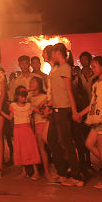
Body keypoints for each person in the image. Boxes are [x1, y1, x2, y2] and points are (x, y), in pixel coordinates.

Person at [44, 43, 85, 186]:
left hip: (64, 109)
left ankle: (76, 175)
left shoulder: (66, 68)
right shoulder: (56, 69)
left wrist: (74, 111)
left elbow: (69, 91)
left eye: (53, 53)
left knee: (67, 142)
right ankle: (62, 171)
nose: (51, 56)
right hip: (55, 110)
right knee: (51, 139)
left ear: (57, 53)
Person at [76, 55, 102, 189]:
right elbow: (93, 103)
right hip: (95, 118)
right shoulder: (96, 83)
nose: (93, 69)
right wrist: (81, 113)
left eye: (95, 66)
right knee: (89, 144)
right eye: (92, 67)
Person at [6, 85, 42, 180]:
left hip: (27, 129)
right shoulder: (13, 106)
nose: (23, 98)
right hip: (17, 130)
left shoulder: (29, 106)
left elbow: (38, 110)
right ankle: (24, 171)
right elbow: (10, 118)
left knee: (31, 149)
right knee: (20, 149)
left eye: (25, 96)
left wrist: (42, 108)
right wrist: (1, 112)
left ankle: (36, 171)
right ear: (17, 96)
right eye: (22, 96)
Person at [26, 76, 53, 179]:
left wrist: (36, 109)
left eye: (34, 82)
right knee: (37, 148)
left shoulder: (44, 97)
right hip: (34, 124)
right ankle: (41, 170)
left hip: (42, 123)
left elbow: (45, 113)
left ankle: (46, 171)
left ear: (39, 84)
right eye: (31, 82)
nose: (32, 84)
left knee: (42, 147)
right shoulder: (29, 98)